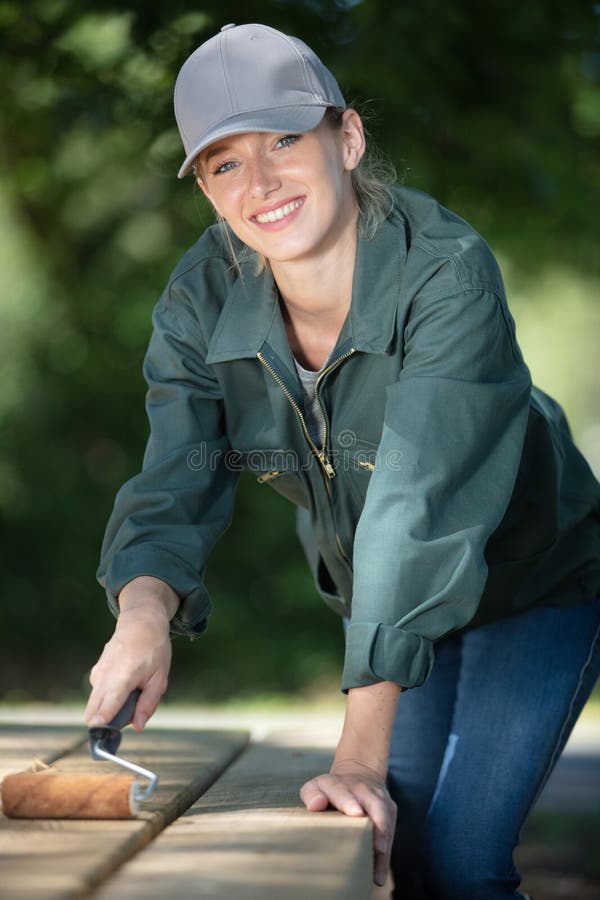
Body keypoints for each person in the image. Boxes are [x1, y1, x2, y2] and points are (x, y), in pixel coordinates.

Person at [85, 23, 600, 899]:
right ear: (206, 189)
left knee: (461, 863)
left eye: (284, 139)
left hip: (535, 582)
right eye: (224, 163)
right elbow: (176, 476)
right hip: (391, 604)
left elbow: (416, 505)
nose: (262, 183)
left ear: (348, 137)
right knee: (385, 853)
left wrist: (357, 756)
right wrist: (141, 617)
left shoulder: (448, 275)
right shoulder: (201, 297)